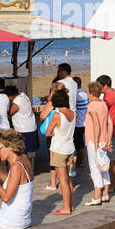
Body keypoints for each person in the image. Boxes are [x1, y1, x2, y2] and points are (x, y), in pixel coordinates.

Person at [44, 87, 76, 215]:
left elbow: (48, 132)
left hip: (59, 149)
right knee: (68, 179)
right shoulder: (73, 113)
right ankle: (71, 204)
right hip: (69, 147)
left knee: (62, 181)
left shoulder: (57, 115)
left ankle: (66, 208)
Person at [82, 82, 114, 205]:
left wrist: (94, 142)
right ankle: (105, 193)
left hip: (93, 139)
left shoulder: (91, 105)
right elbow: (109, 123)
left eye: (87, 92)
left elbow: (96, 124)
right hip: (104, 139)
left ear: (90, 93)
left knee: (95, 167)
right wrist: (109, 139)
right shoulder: (104, 104)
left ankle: (96, 196)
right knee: (104, 165)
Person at [97, 75, 115, 189]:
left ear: (105, 85)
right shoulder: (113, 93)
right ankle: (114, 183)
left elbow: (101, 109)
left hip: (109, 132)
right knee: (112, 158)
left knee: (109, 159)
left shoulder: (109, 97)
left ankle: (112, 184)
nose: (98, 89)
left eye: (99, 86)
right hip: (113, 130)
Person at [8, 84, 38, 159]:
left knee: (22, 152)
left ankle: (24, 167)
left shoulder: (17, 101)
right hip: (31, 127)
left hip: (23, 129)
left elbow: (10, 113)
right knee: (28, 152)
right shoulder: (24, 96)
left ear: (10, 96)